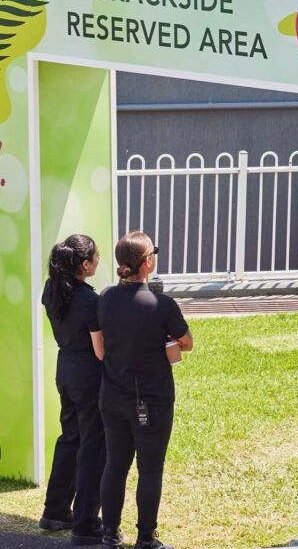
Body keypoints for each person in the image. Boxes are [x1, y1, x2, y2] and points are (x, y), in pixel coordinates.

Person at [94, 231, 193, 549]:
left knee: (115, 464)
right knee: (150, 469)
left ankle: (110, 533)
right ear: (148, 262)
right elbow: (187, 342)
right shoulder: (162, 305)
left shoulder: (106, 298)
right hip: (152, 399)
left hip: (112, 396)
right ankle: (146, 537)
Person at [39, 234, 105, 546]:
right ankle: (86, 521)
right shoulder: (90, 301)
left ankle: (55, 511)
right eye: (96, 256)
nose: (99, 260)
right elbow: (100, 350)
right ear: (85, 265)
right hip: (88, 376)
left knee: (69, 438)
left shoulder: (51, 289)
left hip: (65, 370)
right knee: (92, 445)